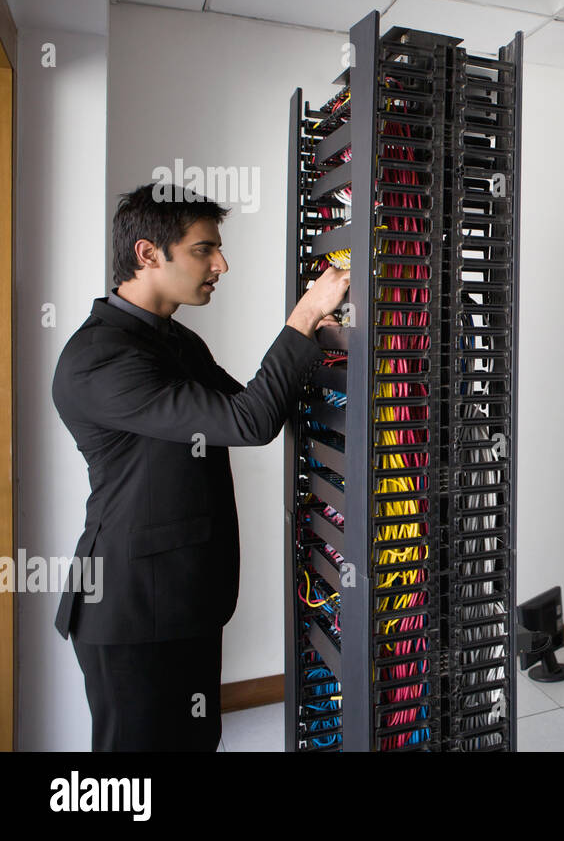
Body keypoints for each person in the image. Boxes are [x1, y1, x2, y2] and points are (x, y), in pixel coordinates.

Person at [50, 183, 350, 751]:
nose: (221, 263)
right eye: (203, 249)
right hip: (131, 610)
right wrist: (308, 312)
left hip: (185, 598)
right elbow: (247, 423)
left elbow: (259, 404)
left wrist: (338, 342)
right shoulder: (100, 358)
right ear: (147, 254)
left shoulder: (174, 341)